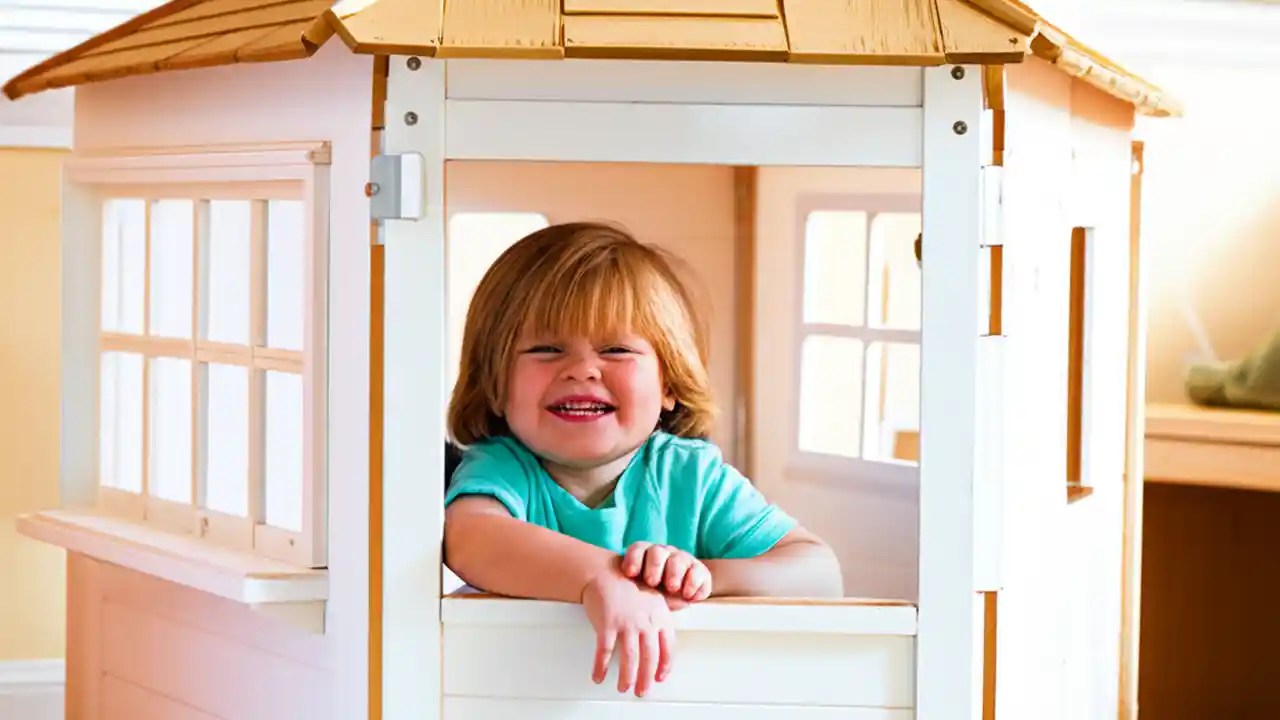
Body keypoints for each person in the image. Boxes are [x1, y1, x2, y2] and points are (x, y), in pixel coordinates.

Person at [442, 221, 843, 698]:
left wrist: (700, 577)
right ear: (494, 383)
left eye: (615, 349)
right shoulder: (501, 468)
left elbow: (819, 573)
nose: (581, 370)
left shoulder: (691, 476)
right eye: (546, 349)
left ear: (670, 383)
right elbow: (470, 538)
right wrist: (601, 577)